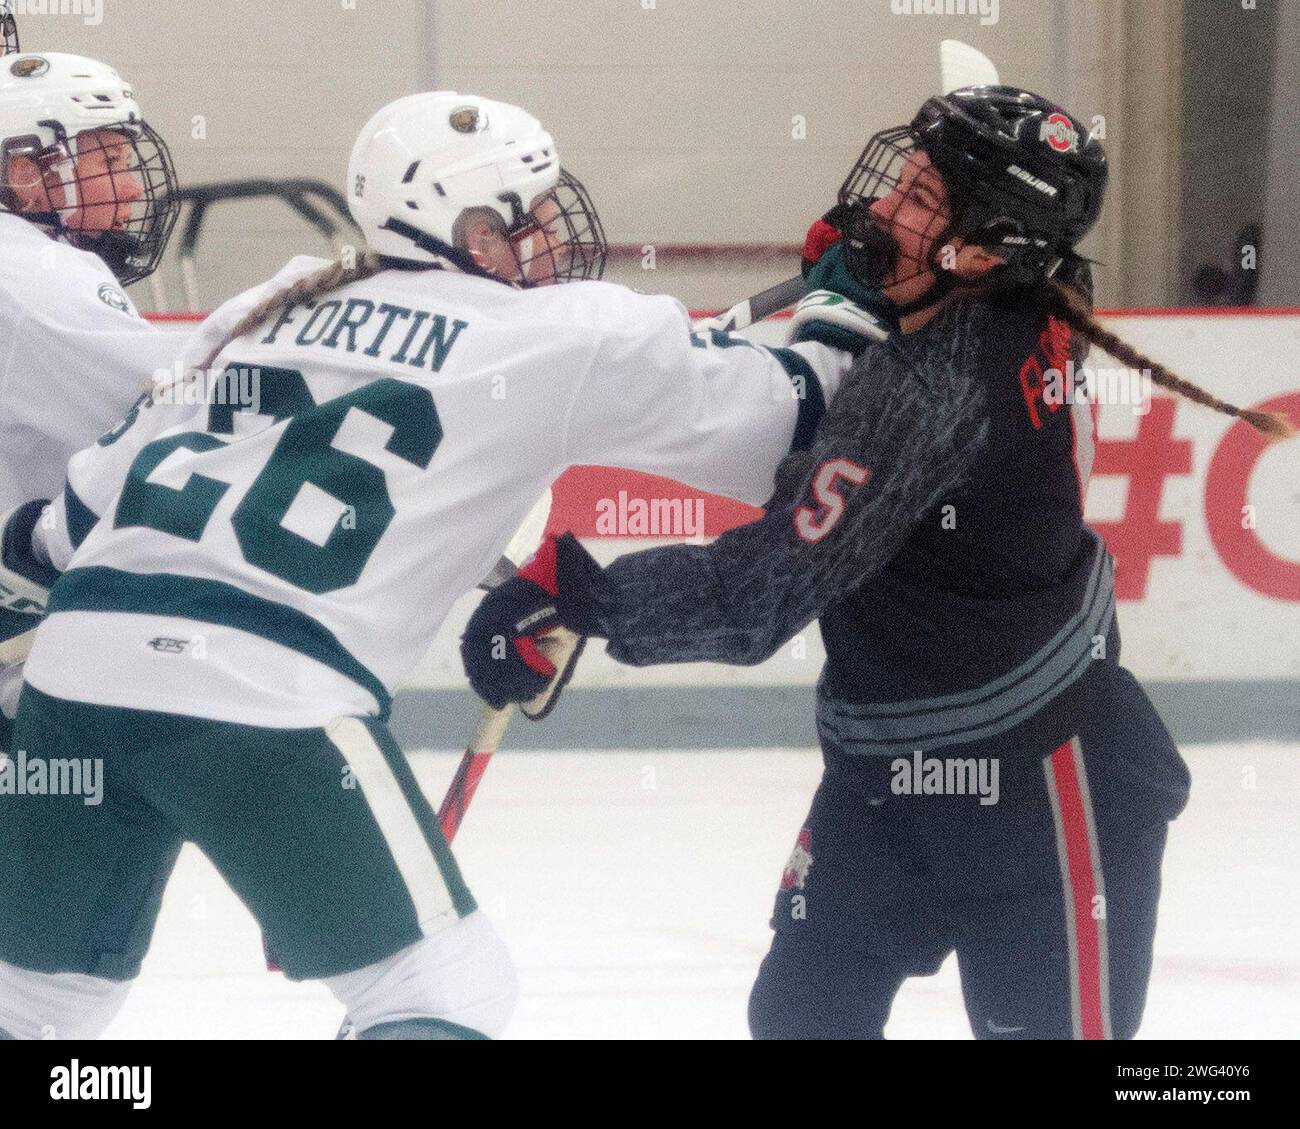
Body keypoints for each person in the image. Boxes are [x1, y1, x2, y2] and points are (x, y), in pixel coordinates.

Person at [0, 90, 865, 1040]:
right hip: (266, 697)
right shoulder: (569, 333)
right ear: (477, 231)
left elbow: (69, 523)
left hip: (72, 676)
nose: (547, 237)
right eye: (529, 215)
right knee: (442, 993)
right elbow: (803, 417)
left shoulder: (267, 303)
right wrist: (846, 293)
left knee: (40, 1003)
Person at [460, 86, 1295, 1039]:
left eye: (921, 199)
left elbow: (761, 593)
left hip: (1047, 801)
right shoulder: (1044, 288)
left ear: (985, 250)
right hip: (886, 786)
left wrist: (580, 595)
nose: (884, 209)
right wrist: (866, 293)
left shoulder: (931, 393)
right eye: (901, 181)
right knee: (800, 1018)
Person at [0, 52, 181, 750]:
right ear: (25, 172)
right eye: (108, 156)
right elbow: (181, 424)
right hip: (35, 681)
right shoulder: (38, 276)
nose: (135, 186)